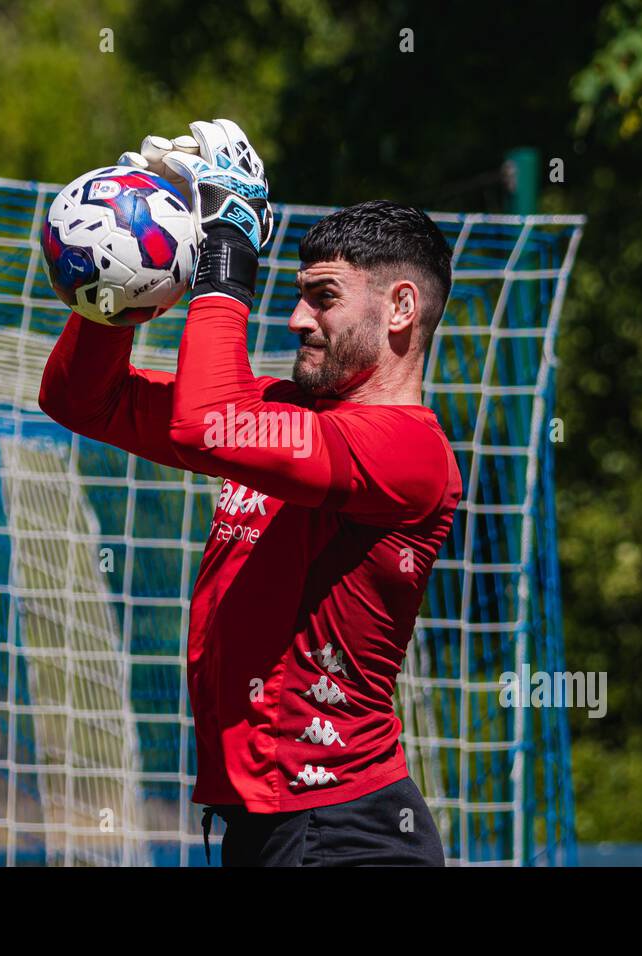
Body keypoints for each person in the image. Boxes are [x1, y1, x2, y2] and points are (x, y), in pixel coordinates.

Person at [38, 119, 460, 866]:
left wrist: (227, 252)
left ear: (400, 309)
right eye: (298, 295)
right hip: (265, 828)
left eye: (323, 298)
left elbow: (209, 425)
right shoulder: (279, 414)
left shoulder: (410, 451)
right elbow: (83, 402)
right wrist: (125, 267)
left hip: (350, 830)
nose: (298, 317)